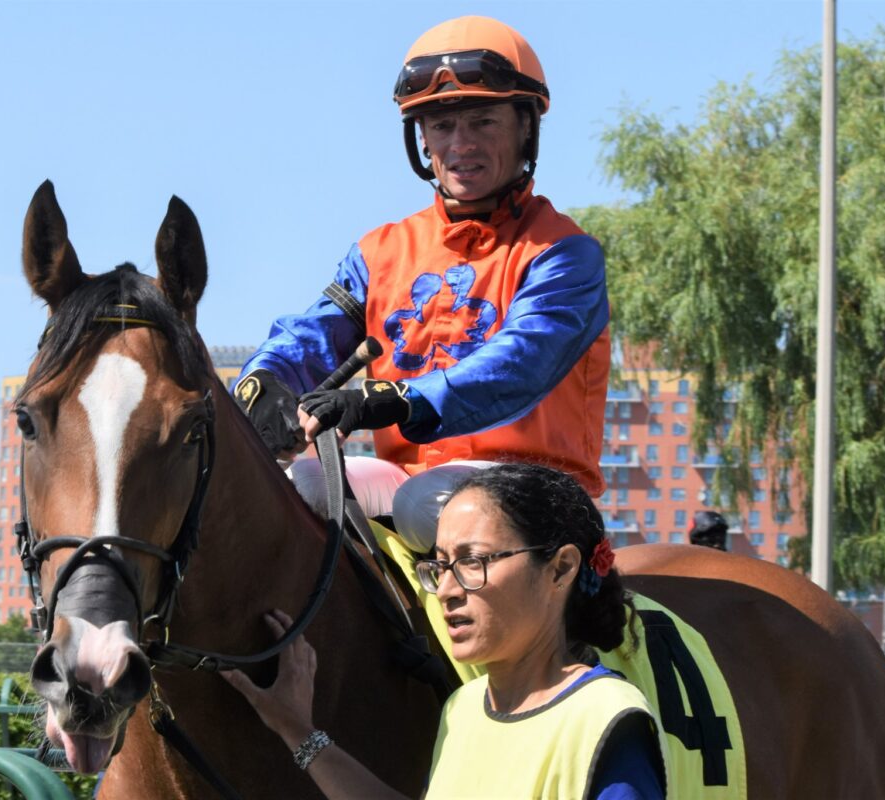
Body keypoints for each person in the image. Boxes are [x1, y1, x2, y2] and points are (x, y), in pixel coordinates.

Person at [235, 16, 611, 552]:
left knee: (427, 504)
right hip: (412, 484)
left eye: (482, 122)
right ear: (421, 138)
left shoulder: (565, 255)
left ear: (526, 127)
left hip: (539, 493)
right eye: (441, 127)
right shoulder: (378, 251)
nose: (460, 145)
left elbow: (520, 364)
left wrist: (389, 399)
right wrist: (265, 383)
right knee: (300, 485)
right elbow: (308, 339)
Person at [223, 464, 667, 799]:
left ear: (562, 568)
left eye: (473, 561)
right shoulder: (465, 705)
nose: (447, 590)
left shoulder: (605, 716)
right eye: (439, 566)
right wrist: (296, 729)